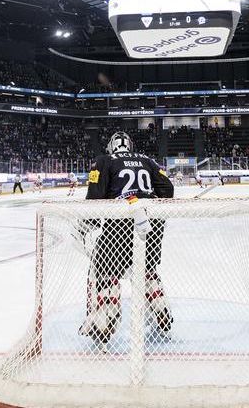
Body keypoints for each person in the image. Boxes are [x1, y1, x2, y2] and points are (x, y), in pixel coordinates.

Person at [80, 131, 174, 344]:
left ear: (112, 146)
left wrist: (88, 224)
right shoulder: (147, 160)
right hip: (151, 224)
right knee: (146, 270)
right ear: (129, 145)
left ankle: (105, 320)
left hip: (119, 226)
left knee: (105, 270)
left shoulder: (105, 160)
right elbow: (168, 189)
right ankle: (160, 306)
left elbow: (95, 198)